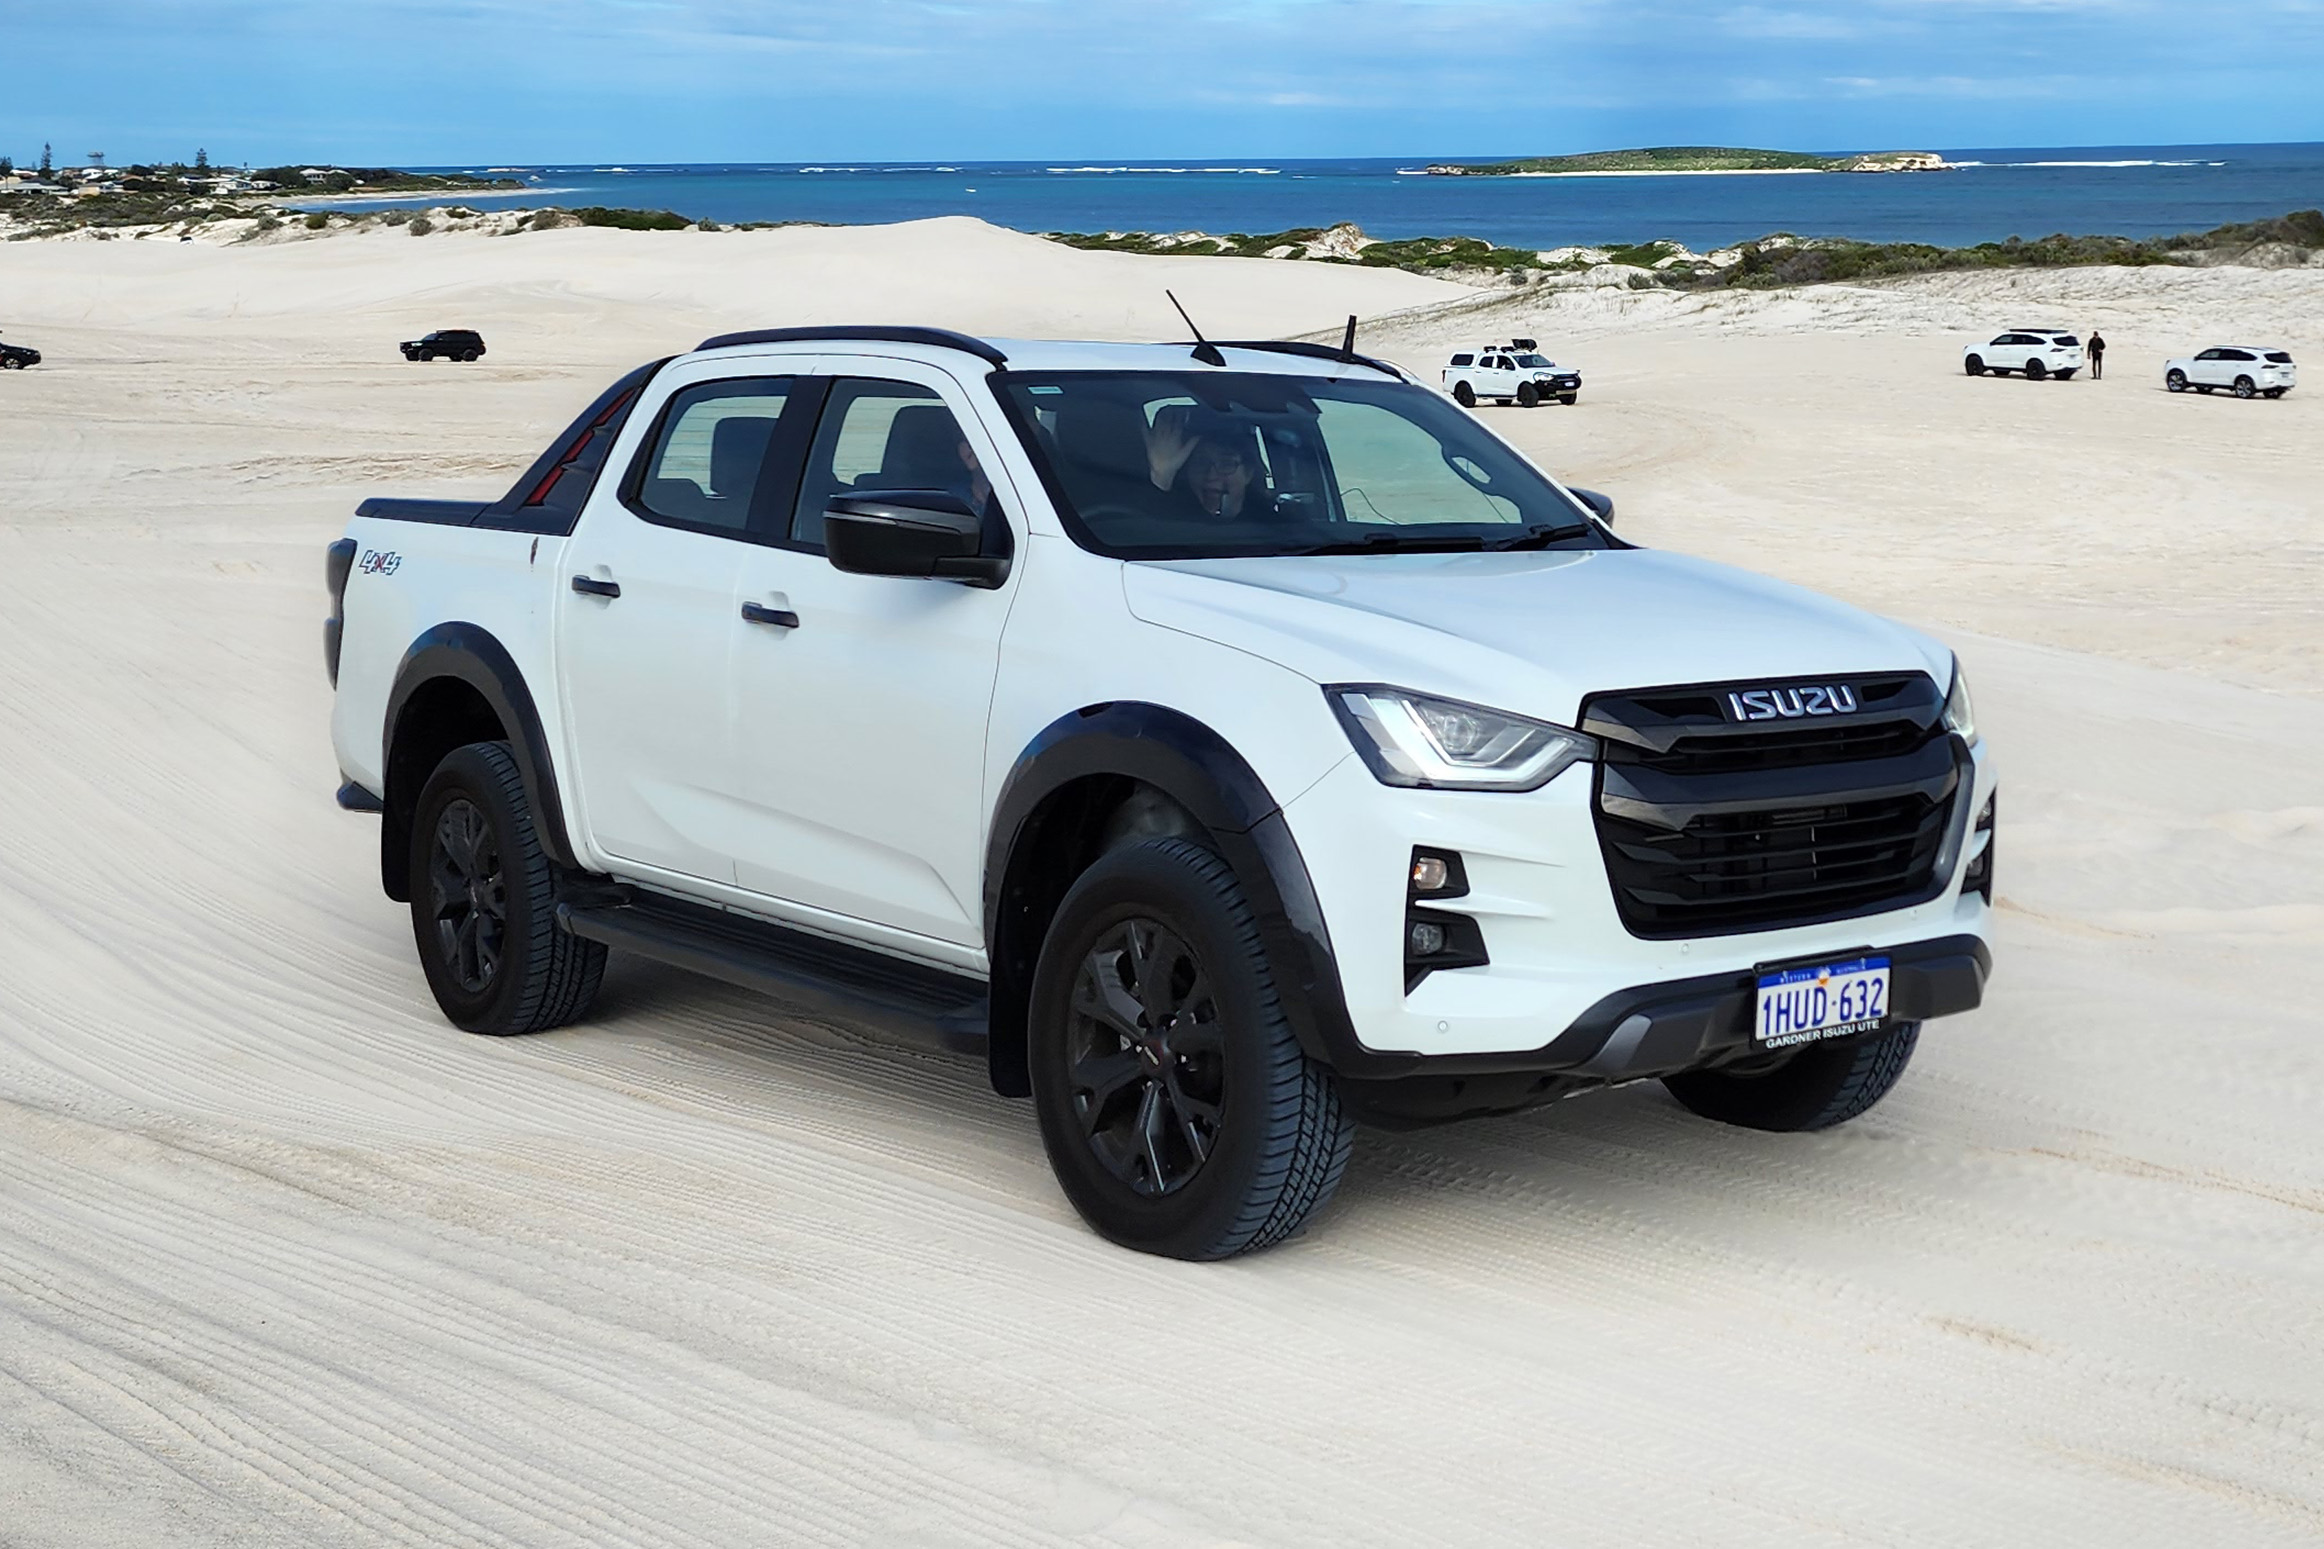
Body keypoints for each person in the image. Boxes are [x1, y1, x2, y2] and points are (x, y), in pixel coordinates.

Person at [1145, 404, 1257, 520]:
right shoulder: (1176, 520)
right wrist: (1162, 478)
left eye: (1225, 464)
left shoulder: (1270, 527)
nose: (1211, 475)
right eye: (1201, 463)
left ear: (1248, 473)